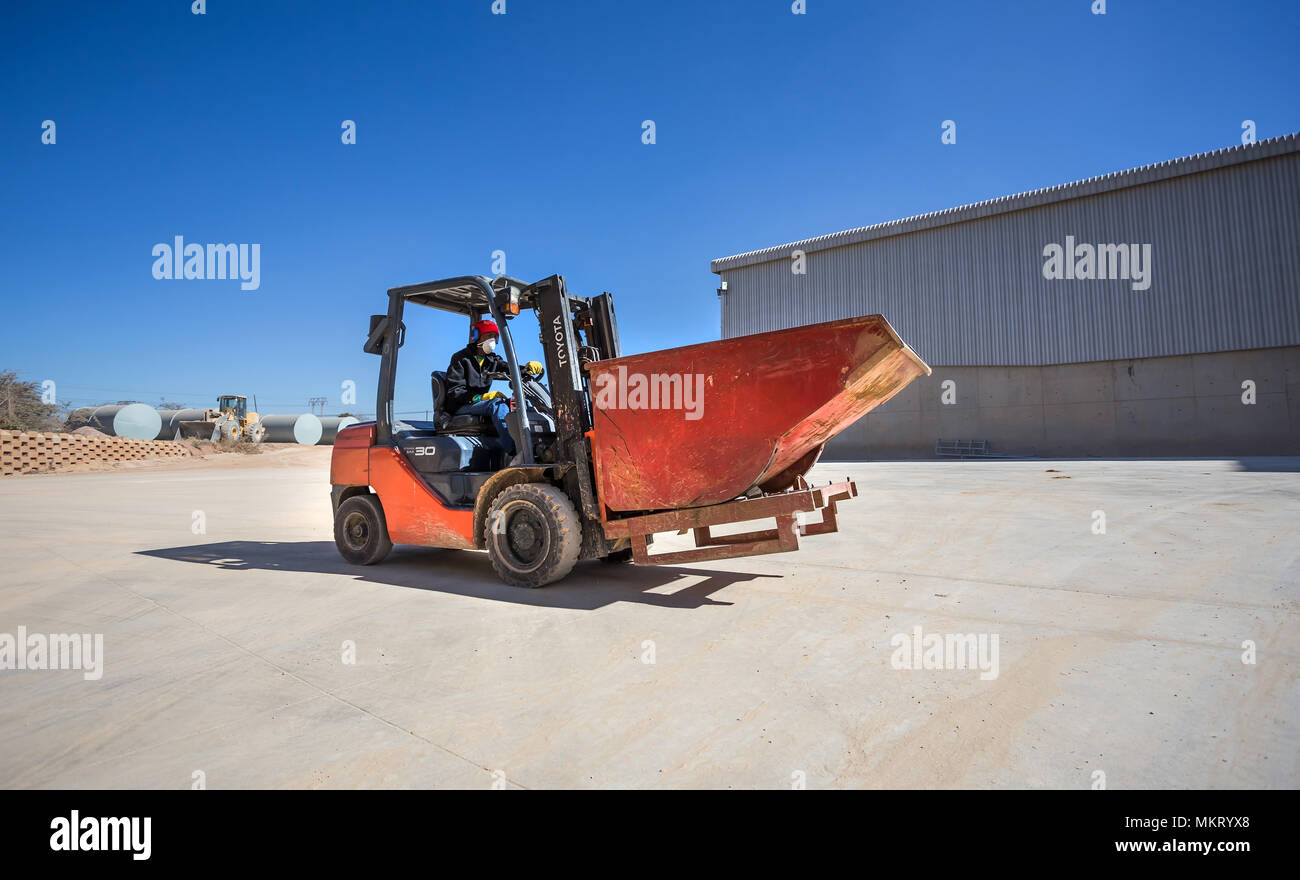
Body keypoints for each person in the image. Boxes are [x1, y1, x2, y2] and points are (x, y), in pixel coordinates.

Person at [444, 318, 515, 456]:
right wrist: (480, 397)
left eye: (495, 337)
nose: (492, 340)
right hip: (460, 406)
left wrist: (526, 369)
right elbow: (454, 392)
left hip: (480, 405)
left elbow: (510, 369)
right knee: (497, 405)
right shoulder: (460, 359)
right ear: (477, 337)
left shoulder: (492, 360)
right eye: (489, 336)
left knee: (516, 404)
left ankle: (531, 444)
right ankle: (514, 451)